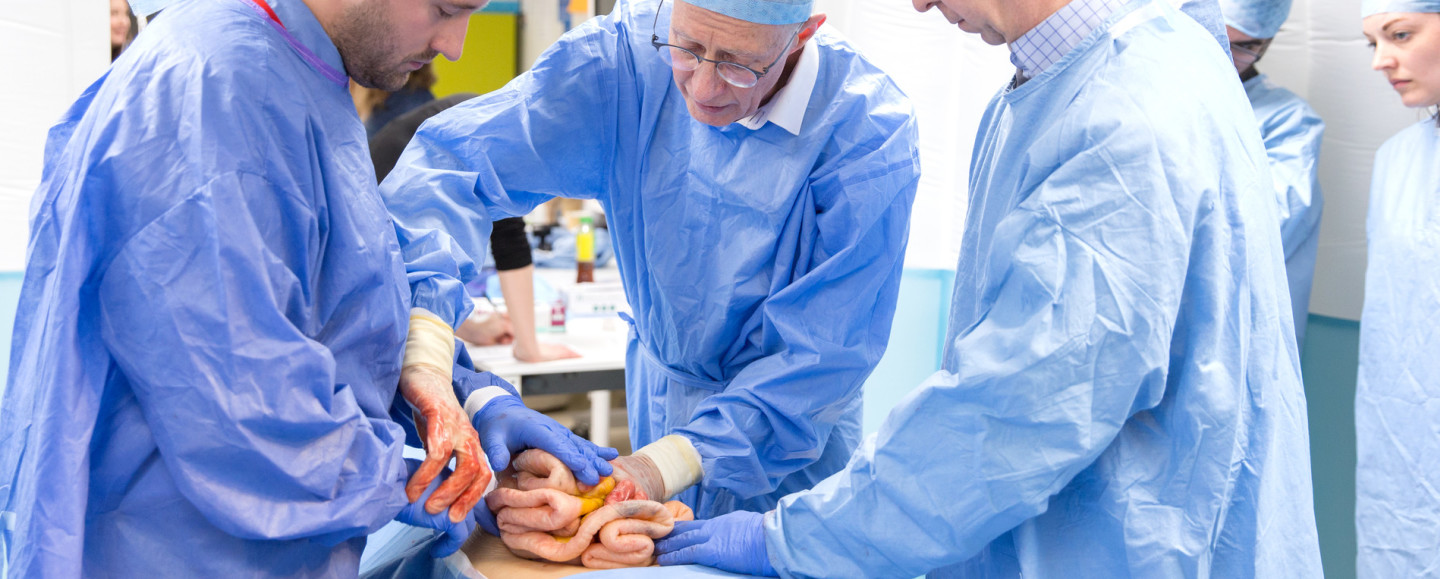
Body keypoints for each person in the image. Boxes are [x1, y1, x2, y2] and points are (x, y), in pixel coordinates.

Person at [654, 0, 1324, 575]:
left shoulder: (1125, 115)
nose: (918, 4)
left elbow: (1011, 413)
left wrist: (790, 537)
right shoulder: (1096, 74)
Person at [0, 0, 613, 576]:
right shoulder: (214, 93)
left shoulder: (300, 75)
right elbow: (241, 407)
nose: (454, 48)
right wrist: (424, 481)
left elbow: (347, 314)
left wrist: (467, 399)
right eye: (446, 8)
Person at [380, 0, 920, 519]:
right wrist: (427, 353)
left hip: (787, 444)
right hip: (660, 395)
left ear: (803, 35)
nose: (703, 88)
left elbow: (821, 357)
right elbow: (455, 169)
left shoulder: (865, 134)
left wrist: (661, 465)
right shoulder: (626, 60)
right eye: (686, 47)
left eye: (738, 65)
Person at [370, 93, 580, 363]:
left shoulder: (509, 117)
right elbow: (510, 241)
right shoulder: (513, 138)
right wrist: (529, 348)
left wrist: (473, 330)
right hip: (393, 165)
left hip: (389, 157)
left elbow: (428, 276)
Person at [1357, 2, 1440, 576]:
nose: (1381, 61)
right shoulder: (1397, 162)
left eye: (1401, 35)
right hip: (1403, 457)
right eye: (1372, 43)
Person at [1220, 0, 1325, 345]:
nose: (1224, 54)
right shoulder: (1154, 99)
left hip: (1241, 333)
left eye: (1244, 46)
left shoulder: (1289, 123)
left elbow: (1263, 233)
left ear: (1266, 44)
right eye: (1215, 35)